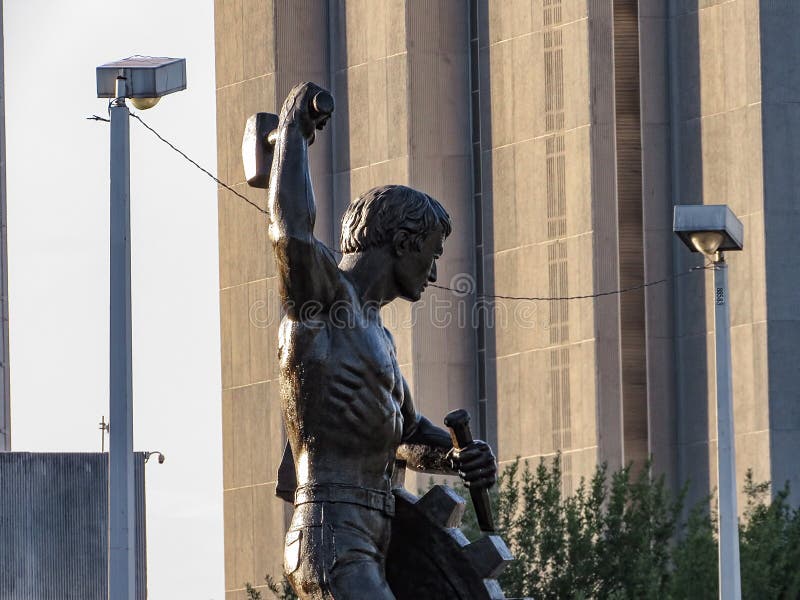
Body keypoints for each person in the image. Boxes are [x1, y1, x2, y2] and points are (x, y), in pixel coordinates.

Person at [269, 82, 497, 600]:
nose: (435, 272)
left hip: (378, 534)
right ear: (402, 242)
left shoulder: (380, 337)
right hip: (332, 533)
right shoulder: (324, 304)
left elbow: (409, 431)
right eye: (432, 253)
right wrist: (291, 134)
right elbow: (291, 235)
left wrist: (455, 457)